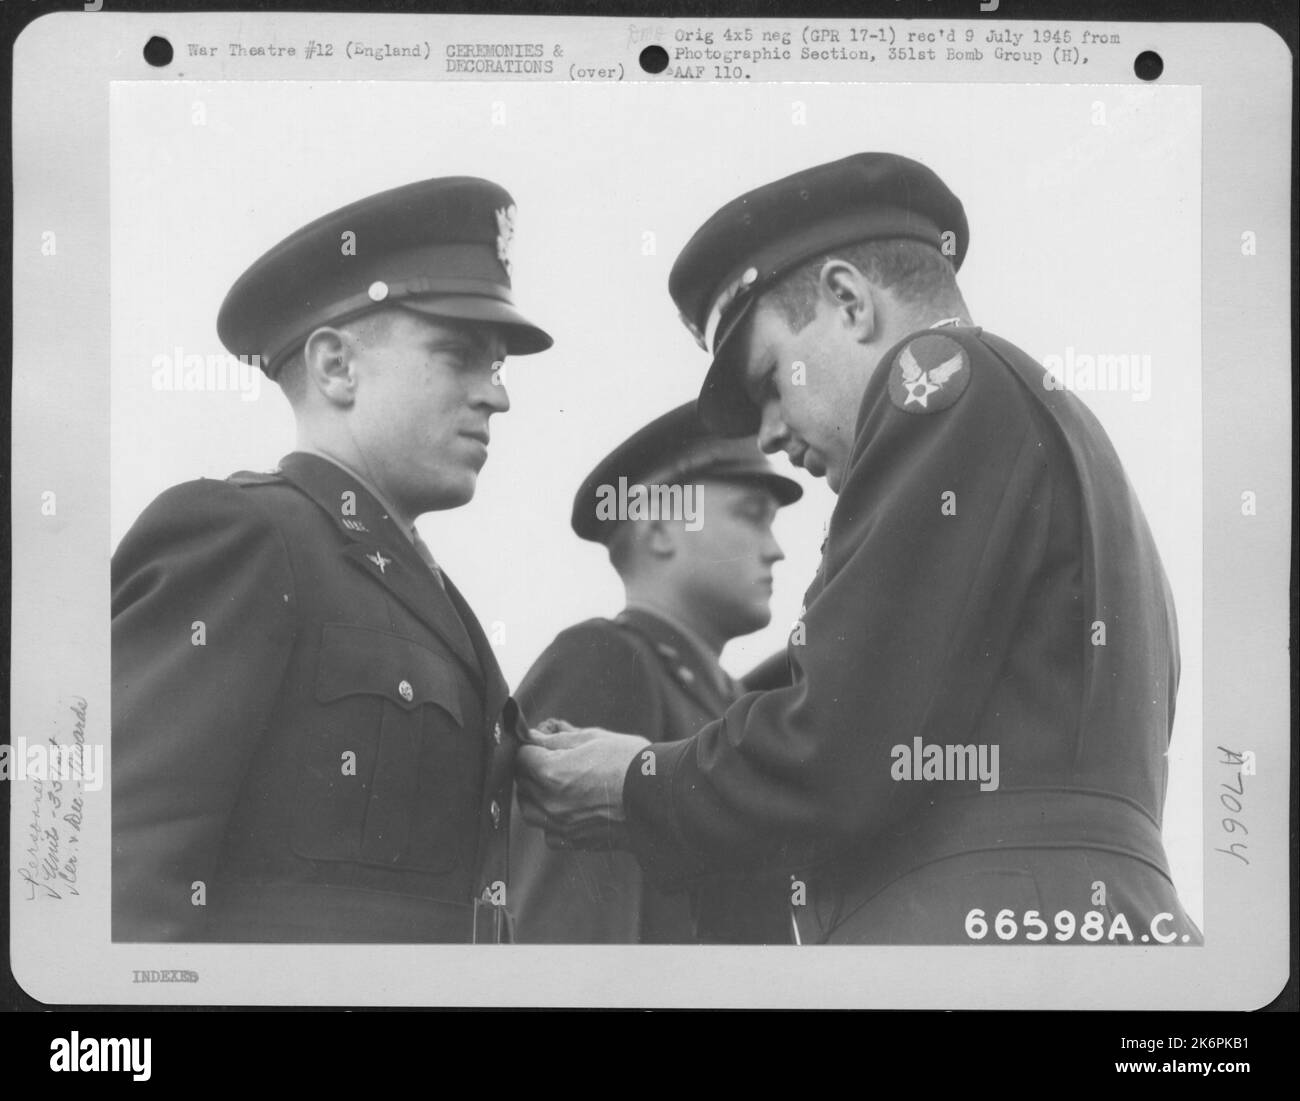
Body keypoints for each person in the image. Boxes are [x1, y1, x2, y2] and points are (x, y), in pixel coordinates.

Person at [517, 152, 1203, 945]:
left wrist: (634, 781)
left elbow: (836, 746)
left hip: (981, 947)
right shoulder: (1061, 429)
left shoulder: (939, 375)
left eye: (770, 378)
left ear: (847, 300)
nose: (771, 432)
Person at [112, 176, 552, 942]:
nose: (499, 397)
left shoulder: (424, 589)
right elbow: (126, 879)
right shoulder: (243, 538)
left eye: (499, 367)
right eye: (459, 355)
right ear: (336, 367)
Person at [509, 402, 801, 943]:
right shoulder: (605, 662)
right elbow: (571, 934)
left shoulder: (732, 701)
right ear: (662, 527)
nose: (777, 549)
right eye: (750, 514)